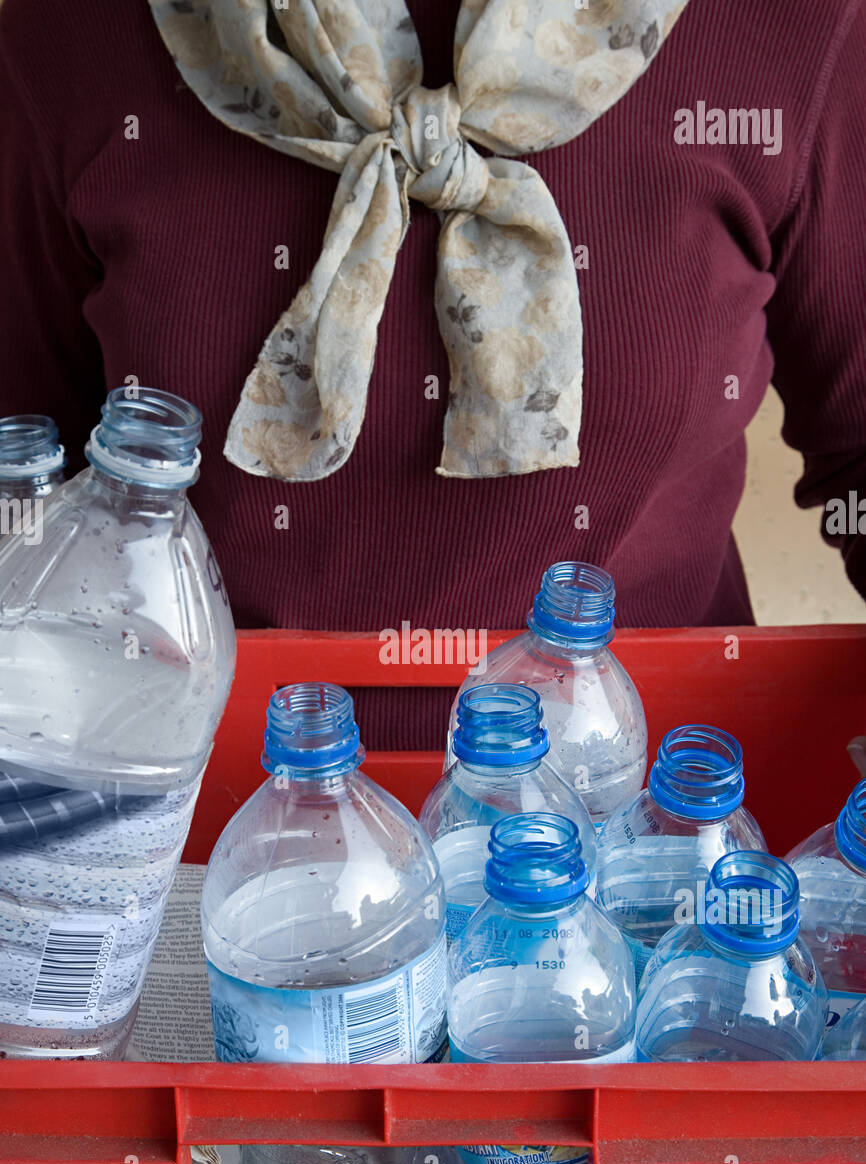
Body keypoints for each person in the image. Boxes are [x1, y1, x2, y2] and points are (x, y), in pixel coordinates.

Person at [1, 0, 865, 748]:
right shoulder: (77, 33)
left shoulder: (790, 26)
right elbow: (18, 487)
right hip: (196, 833)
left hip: (658, 839)